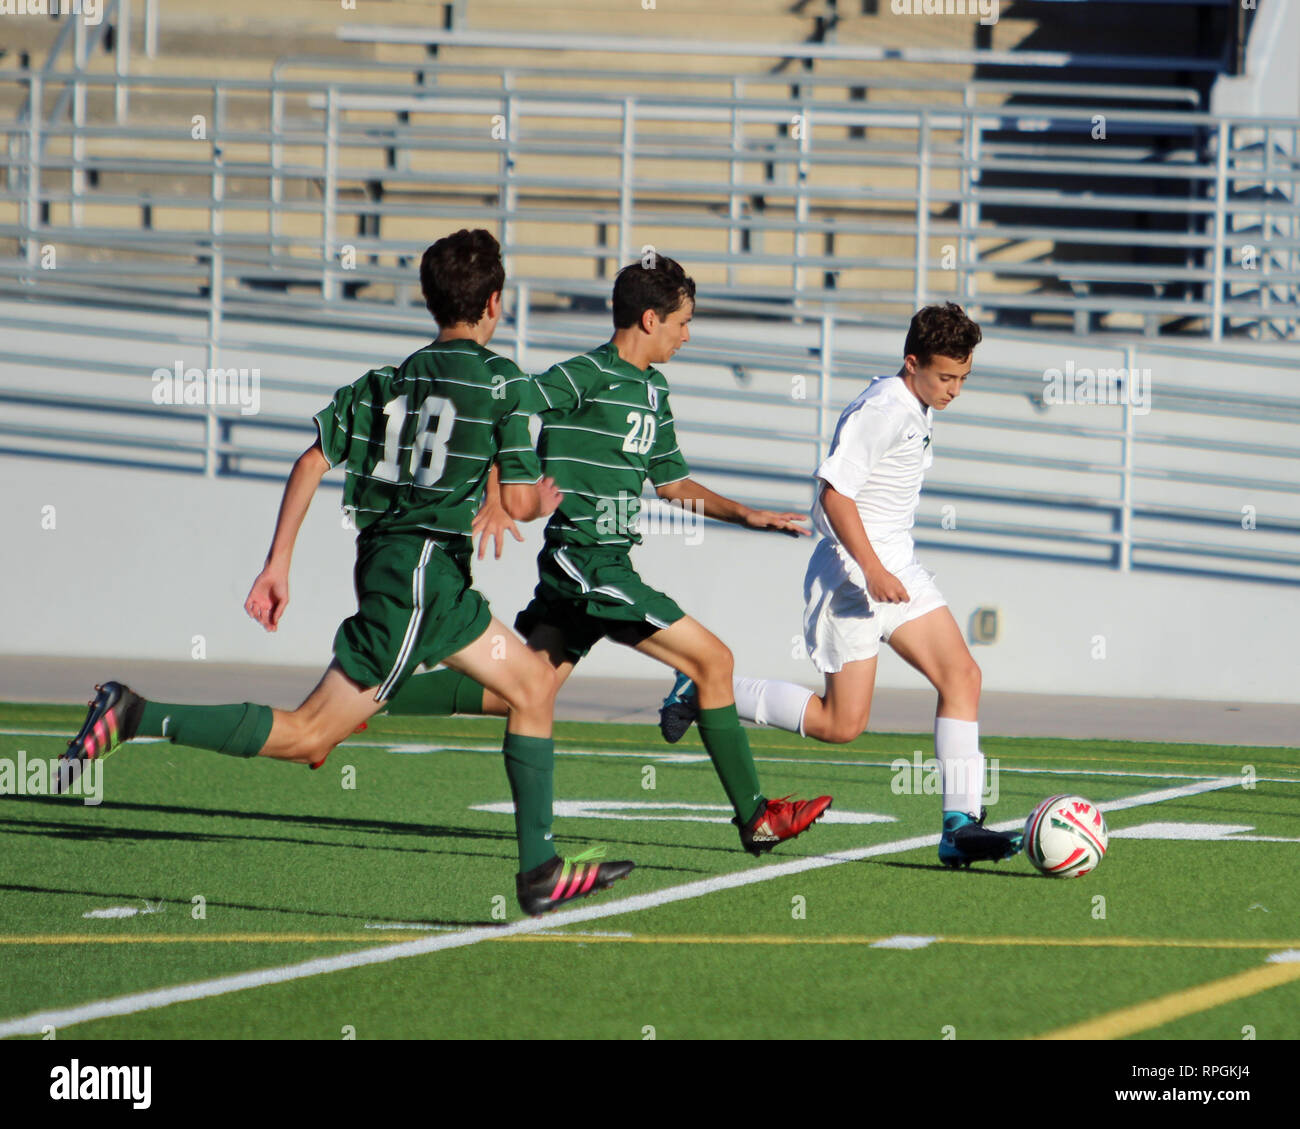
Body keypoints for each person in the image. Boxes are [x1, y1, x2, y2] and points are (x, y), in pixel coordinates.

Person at [55, 229, 634, 915]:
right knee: (309, 735)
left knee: (532, 683)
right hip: (423, 576)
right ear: (495, 303)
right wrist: (541, 497)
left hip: (396, 565)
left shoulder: (385, 382)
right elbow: (516, 500)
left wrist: (278, 565)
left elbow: (308, 464)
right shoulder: (502, 379)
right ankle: (136, 711)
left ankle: (540, 868)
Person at [382, 253, 834, 857]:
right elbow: (508, 409)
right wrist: (496, 493)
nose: (687, 334)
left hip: (605, 566)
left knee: (522, 691)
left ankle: (374, 697)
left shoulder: (654, 389)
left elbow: (672, 484)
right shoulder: (585, 374)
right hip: (584, 563)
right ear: (650, 319)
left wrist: (746, 514)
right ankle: (756, 816)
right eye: (682, 322)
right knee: (714, 663)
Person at [658, 302, 1022, 868]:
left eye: (963, 378)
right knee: (841, 724)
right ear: (912, 363)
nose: (955, 390)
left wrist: (888, 568)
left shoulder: (915, 403)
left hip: (897, 572)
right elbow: (833, 493)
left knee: (962, 677)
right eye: (946, 377)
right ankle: (699, 691)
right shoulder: (882, 409)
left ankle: (959, 827)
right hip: (853, 578)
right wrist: (873, 569)